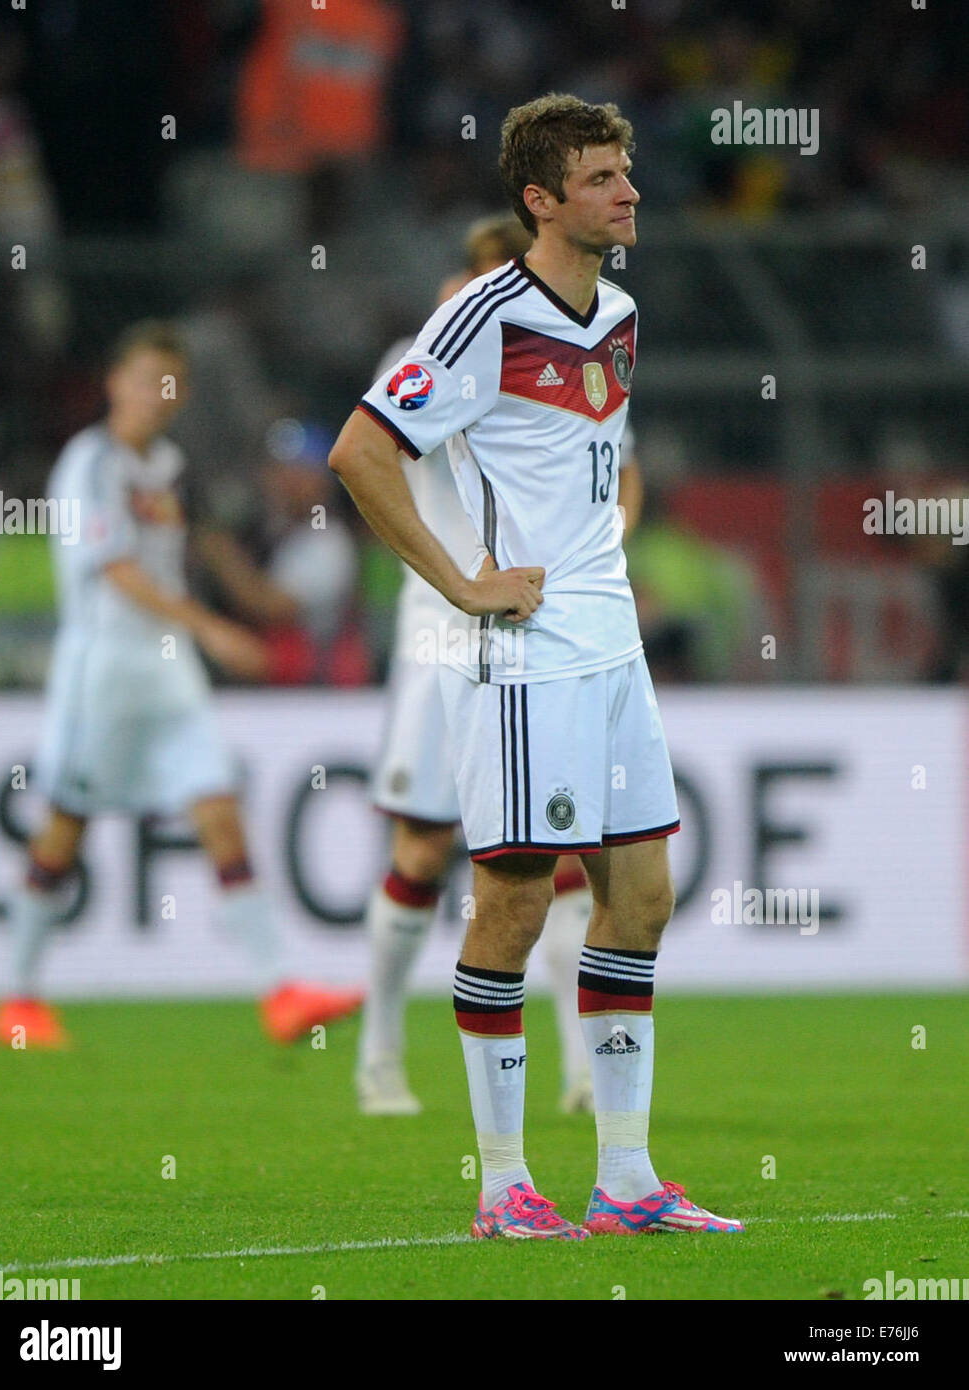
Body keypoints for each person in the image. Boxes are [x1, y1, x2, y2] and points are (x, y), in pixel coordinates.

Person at [330, 94, 742, 1239]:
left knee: (641, 901)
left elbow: (588, 470)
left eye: (627, 170)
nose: (629, 191)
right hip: (523, 660)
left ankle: (625, 1179)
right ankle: (504, 1180)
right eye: (604, 177)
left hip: (614, 650)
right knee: (512, 903)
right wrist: (465, 582)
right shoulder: (479, 319)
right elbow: (361, 451)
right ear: (541, 199)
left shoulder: (616, 310)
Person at [0, 321, 363, 1049]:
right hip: (104, 668)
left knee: (217, 807)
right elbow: (115, 570)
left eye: (171, 383)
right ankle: (19, 998)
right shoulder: (88, 463)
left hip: (166, 671)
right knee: (66, 822)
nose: (157, 396)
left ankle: (279, 990)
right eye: (144, 379)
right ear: (114, 383)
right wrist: (212, 629)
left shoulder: (164, 464)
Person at [357, 213, 643, 1117]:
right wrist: (453, 580)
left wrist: (599, 556)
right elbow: (366, 454)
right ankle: (378, 1052)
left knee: (563, 859)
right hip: (440, 627)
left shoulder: (574, 338)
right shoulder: (439, 345)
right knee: (428, 845)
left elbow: (615, 470)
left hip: (544, 623)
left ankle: (578, 1075)